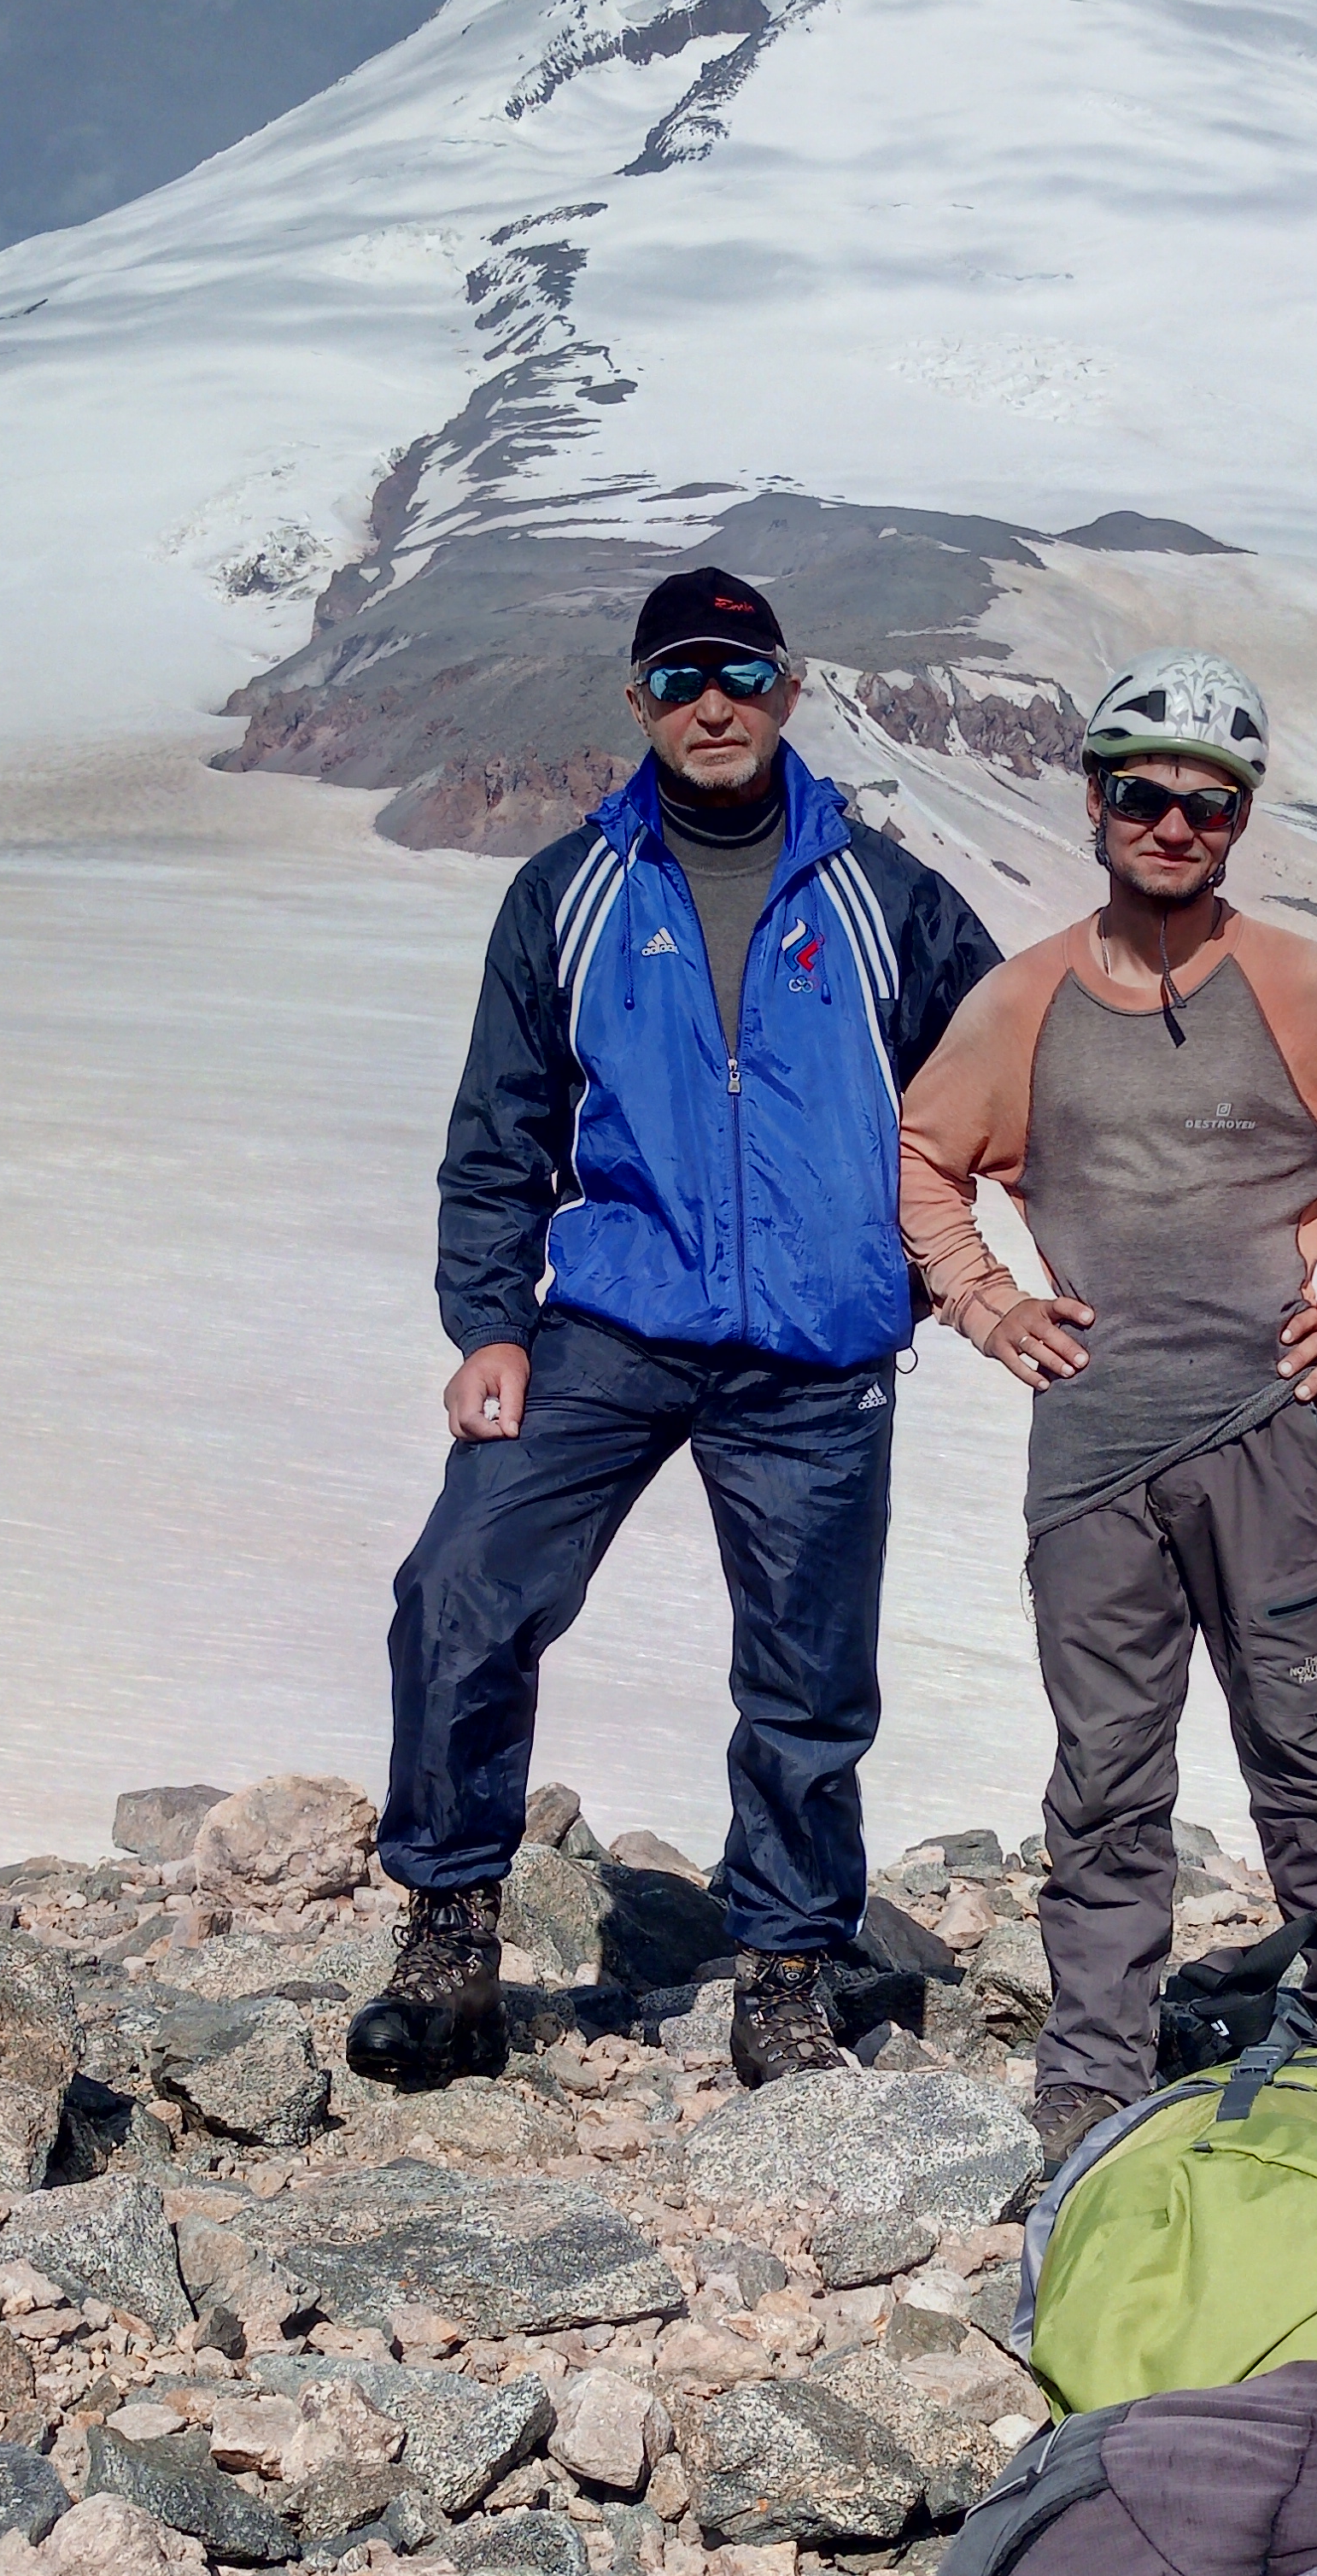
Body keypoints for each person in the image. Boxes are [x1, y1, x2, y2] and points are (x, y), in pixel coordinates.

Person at [354, 565, 1002, 2092]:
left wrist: (941, 1262)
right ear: (637, 701)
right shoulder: (568, 893)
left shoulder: (889, 898)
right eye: (680, 678)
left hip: (817, 1349)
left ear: (791, 690)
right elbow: (502, 1127)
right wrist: (488, 1324)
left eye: (742, 674)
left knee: (808, 1672)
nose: (714, 703)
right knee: (461, 1586)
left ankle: (785, 1971)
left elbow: (999, 1087)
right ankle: (449, 1941)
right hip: (613, 1324)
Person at [901, 650, 1317, 2175]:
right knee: (1107, 1771)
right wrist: (985, 1301)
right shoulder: (1025, 999)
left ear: (1240, 820)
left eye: (1209, 804)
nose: (1174, 826)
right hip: (1094, 1457)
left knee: (1305, 1744)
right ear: (1095, 801)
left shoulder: (1300, 989)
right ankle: (1094, 2072)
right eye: (1143, 796)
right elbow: (920, 1152)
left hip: (1268, 1436)